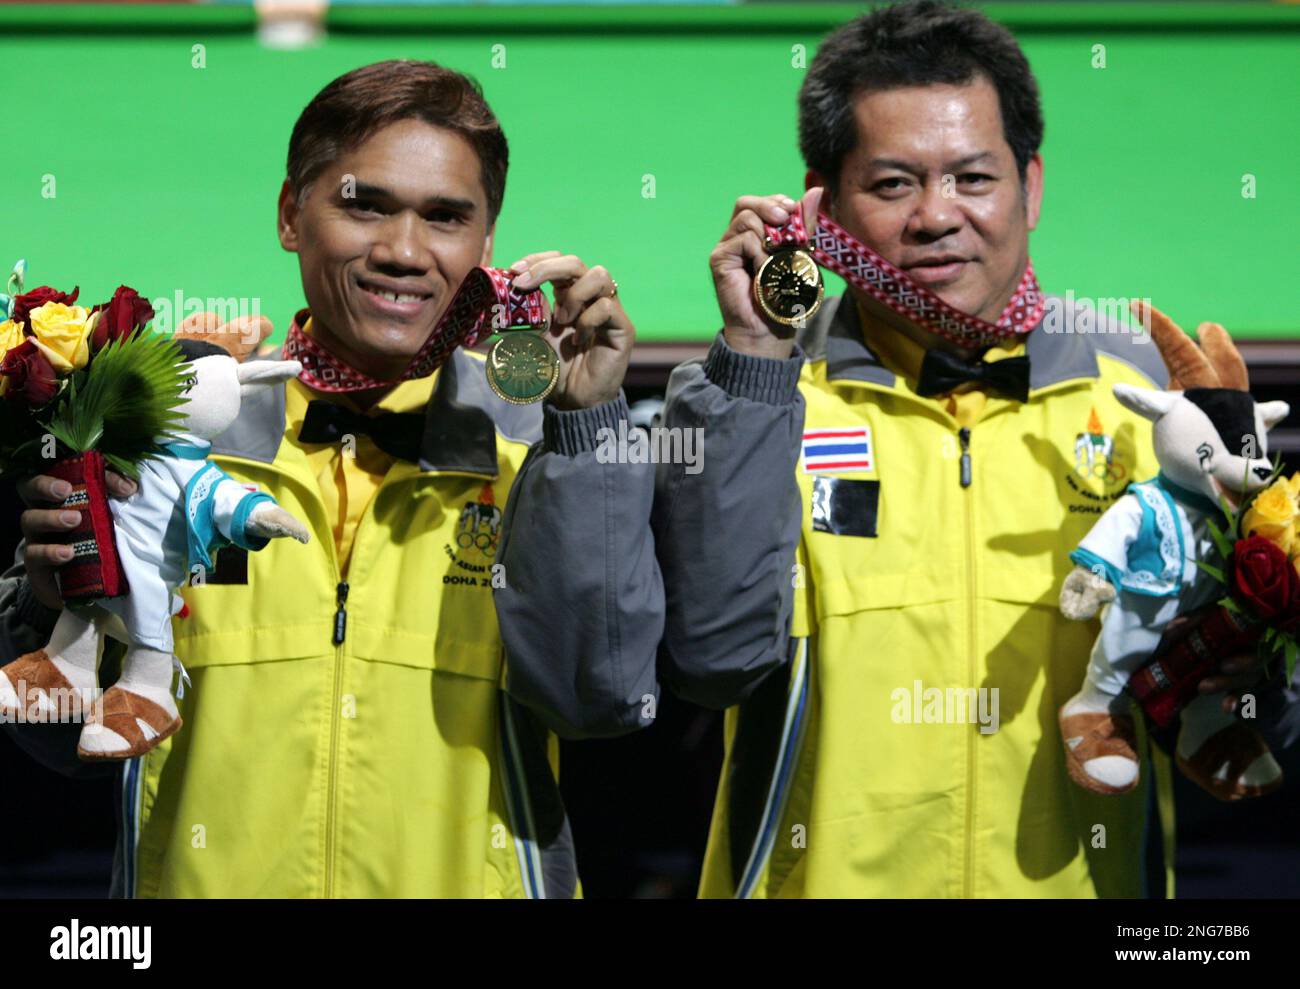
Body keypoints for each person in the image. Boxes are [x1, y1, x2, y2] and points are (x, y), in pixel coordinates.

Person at [653, 0, 1282, 898]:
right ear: (821, 208)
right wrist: (756, 358)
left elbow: (1262, 706)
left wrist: (1248, 659)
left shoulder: (1147, 398)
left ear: (1031, 187)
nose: (936, 218)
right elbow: (712, 660)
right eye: (893, 183)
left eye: (973, 178)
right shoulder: (752, 394)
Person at [0, 59, 661, 897]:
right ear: (289, 214)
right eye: (365, 204)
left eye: (446, 217)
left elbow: (599, 700)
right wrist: (50, 604)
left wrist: (587, 428)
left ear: (487, 246)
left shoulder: (538, 445)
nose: (403, 251)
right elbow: (58, 738)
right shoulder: (167, 435)